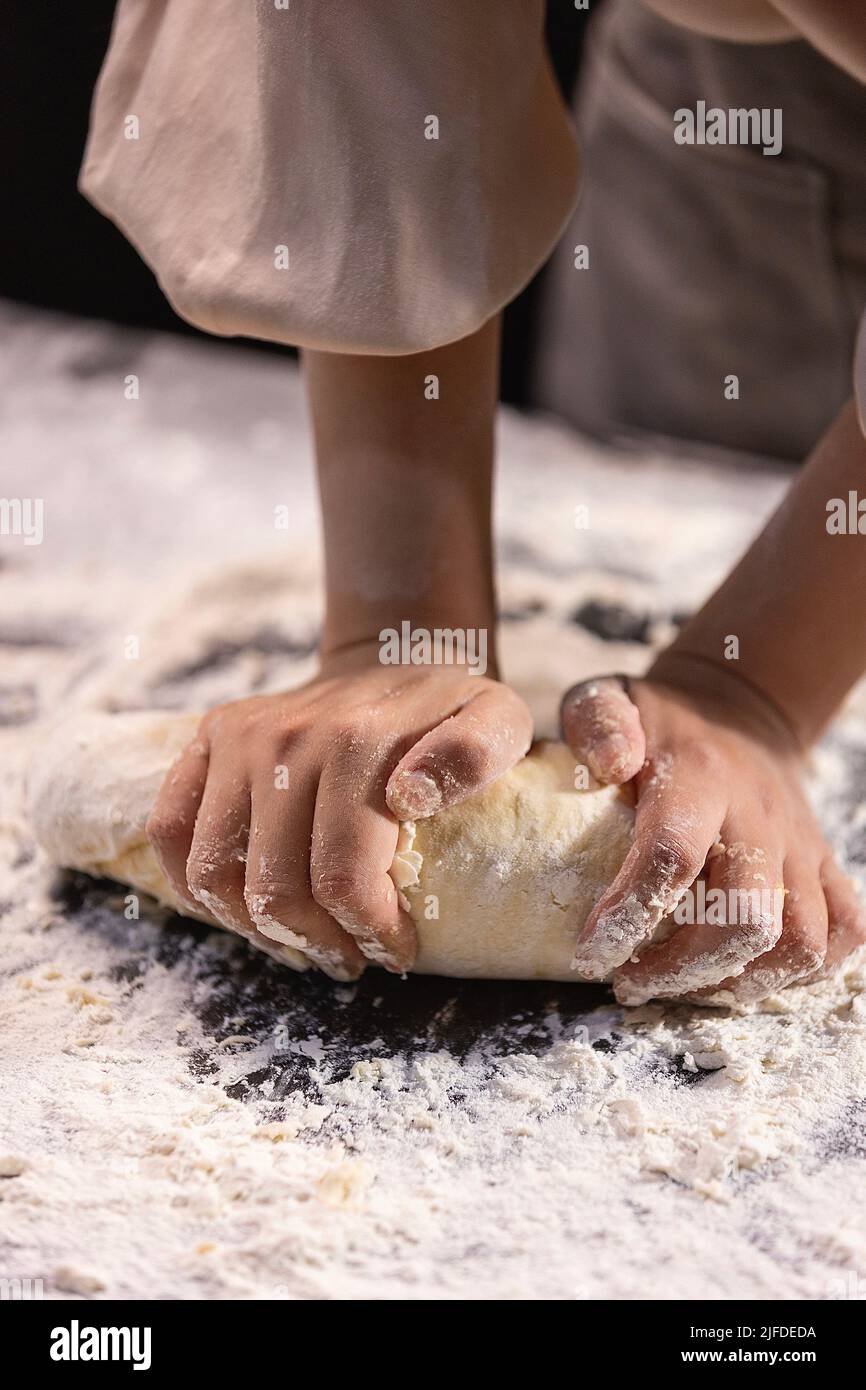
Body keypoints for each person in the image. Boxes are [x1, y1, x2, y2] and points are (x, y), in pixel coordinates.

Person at [78, 0, 866, 1002]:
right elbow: (364, 47)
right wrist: (400, 634)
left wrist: (755, 691)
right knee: (656, 471)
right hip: (735, 105)